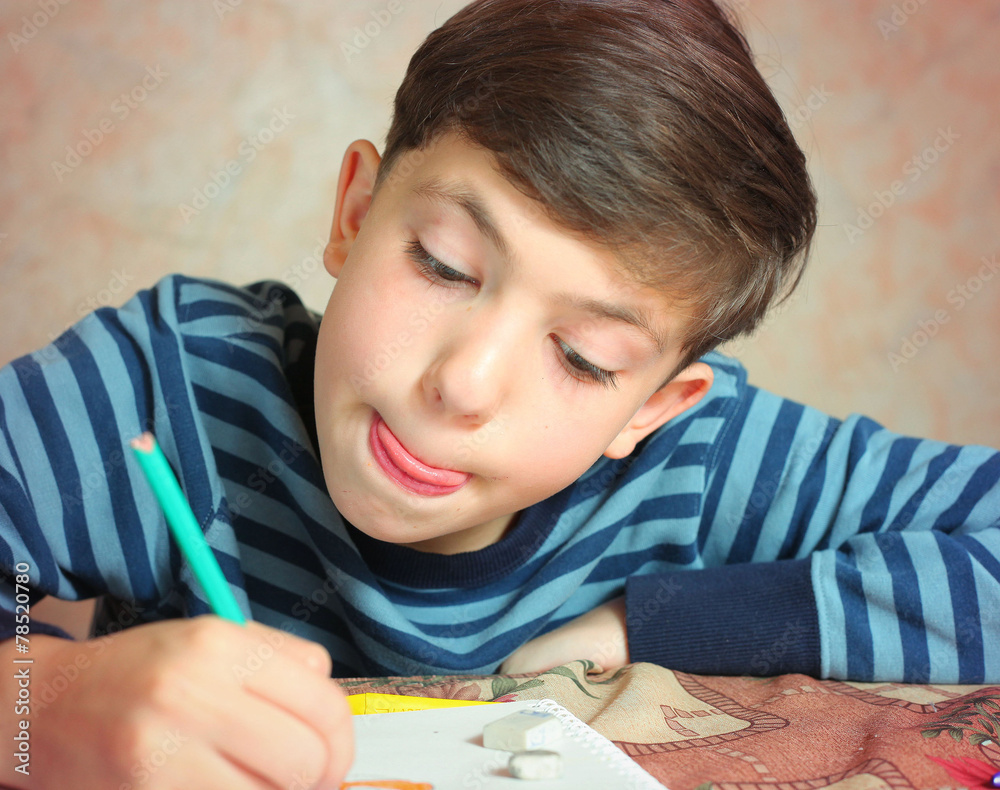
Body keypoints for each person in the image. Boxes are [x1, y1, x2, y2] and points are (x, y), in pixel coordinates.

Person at [2, 0, 999, 787]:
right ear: (355, 212)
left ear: (651, 407)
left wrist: (649, 622)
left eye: (584, 358)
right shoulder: (170, 386)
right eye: (442, 265)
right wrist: (39, 704)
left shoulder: (702, 462)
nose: (463, 383)